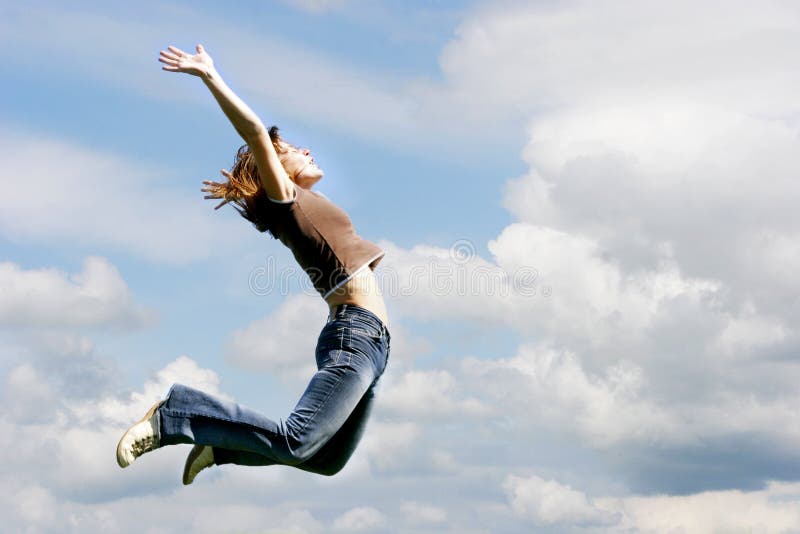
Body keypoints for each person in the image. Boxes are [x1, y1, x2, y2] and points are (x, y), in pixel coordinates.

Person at [116, 44, 391, 484]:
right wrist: (210, 76)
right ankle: (178, 413)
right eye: (293, 149)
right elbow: (257, 133)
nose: (306, 150)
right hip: (354, 333)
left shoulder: (306, 205)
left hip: (375, 344)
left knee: (325, 459)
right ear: (273, 170)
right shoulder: (288, 202)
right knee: (298, 439)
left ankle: (221, 446)